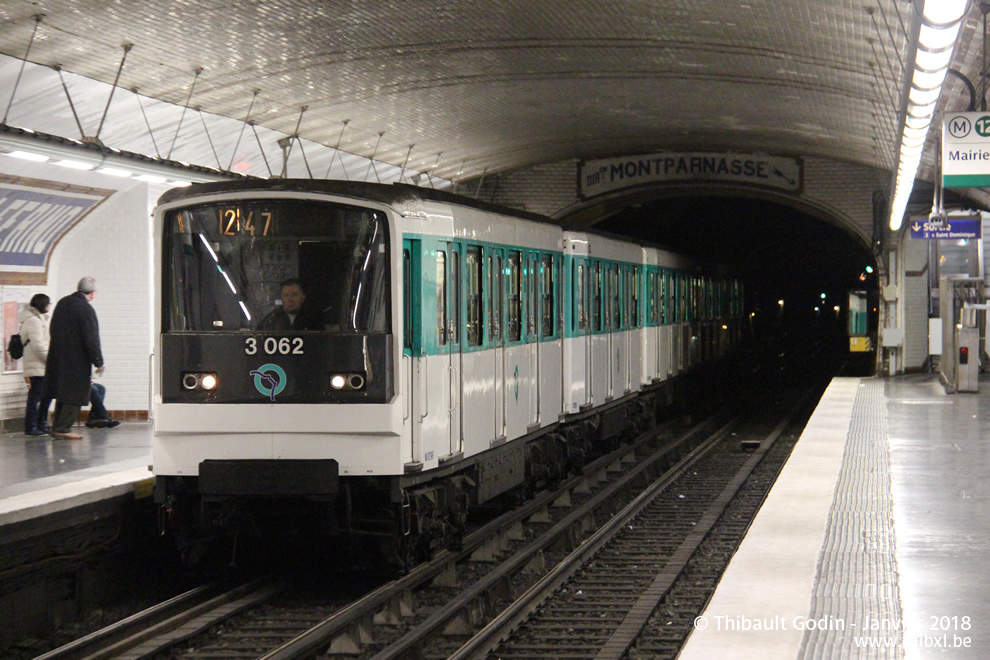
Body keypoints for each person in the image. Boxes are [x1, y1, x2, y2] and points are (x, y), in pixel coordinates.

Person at [43, 277, 104, 440]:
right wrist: (98, 360)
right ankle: (63, 429)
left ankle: (58, 427)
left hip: (58, 356)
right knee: (75, 394)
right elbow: (91, 338)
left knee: (63, 393)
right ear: (92, 293)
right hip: (77, 359)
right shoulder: (86, 309)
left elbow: (52, 328)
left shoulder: (63, 303)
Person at [22, 293, 53, 436]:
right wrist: (50, 359)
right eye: (48, 303)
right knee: (36, 396)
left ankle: (41, 424)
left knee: (46, 395)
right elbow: (38, 344)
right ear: (43, 304)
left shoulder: (39, 319)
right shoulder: (33, 321)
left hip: (41, 364)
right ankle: (32, 426)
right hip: (37, 364)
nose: (50, 306)